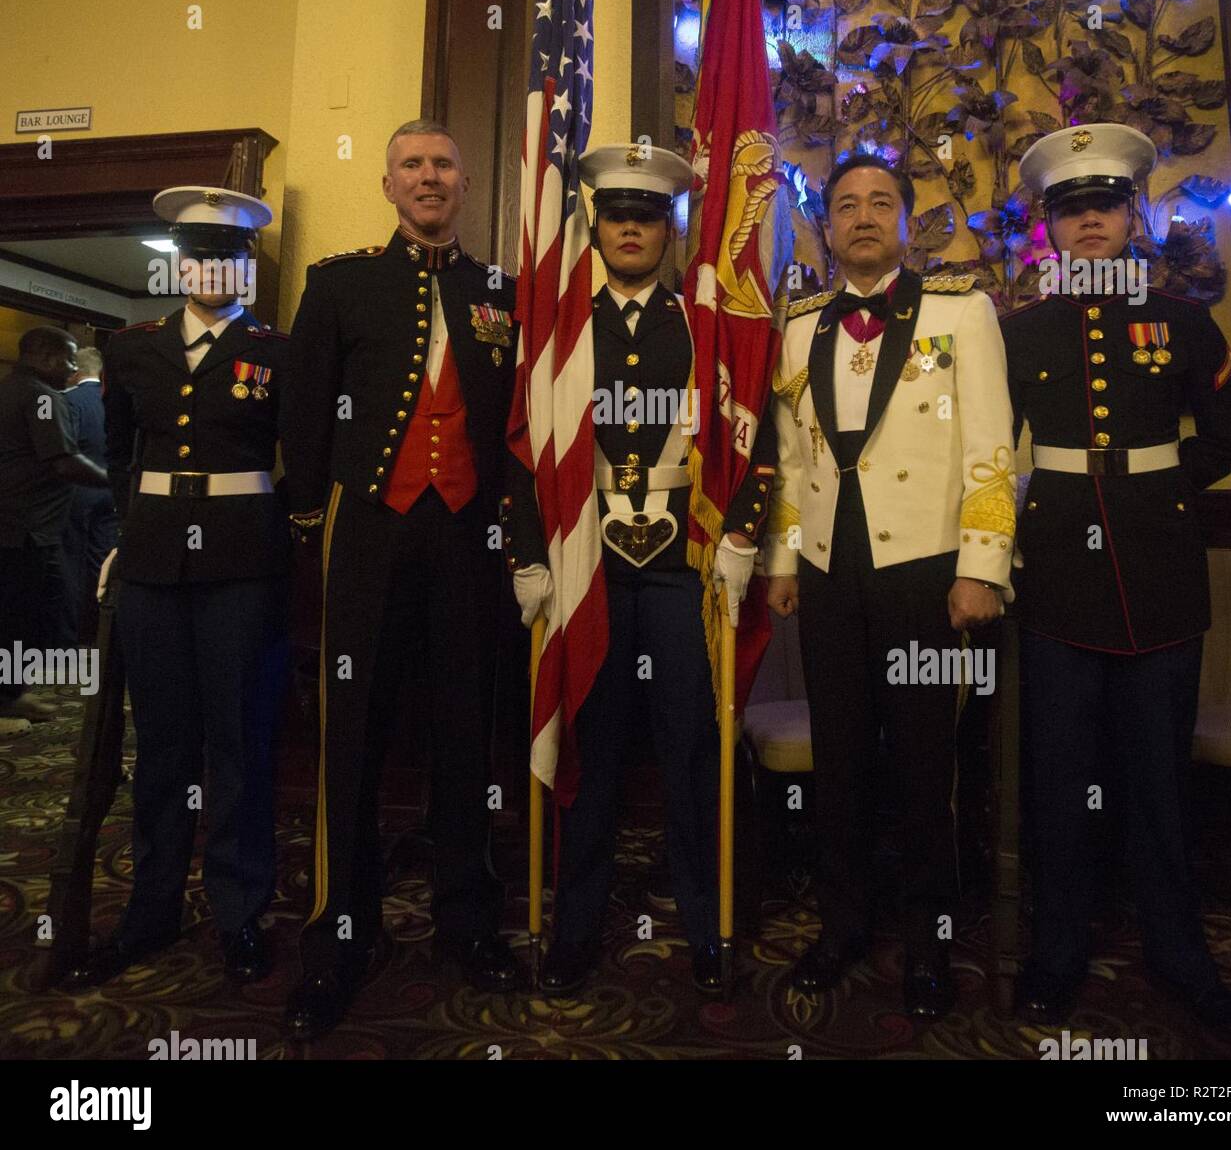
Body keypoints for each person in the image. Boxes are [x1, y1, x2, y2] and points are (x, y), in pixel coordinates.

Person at [1004, 122, 1231, 1040]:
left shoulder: (1185, 322)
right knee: (1058, 775)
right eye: (1069, 211)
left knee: (1157, 776)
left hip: (1160, 573)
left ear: (1131, 215)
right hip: (1056, 580)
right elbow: (986, 451)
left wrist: (1161, 489)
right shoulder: (1019, 328)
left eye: (1103, 206)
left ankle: (1179, 954)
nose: (1087, 225)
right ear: (1049, 228)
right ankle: (1057, 951)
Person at [504, 143, 775, 995]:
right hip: (582, 555)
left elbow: (750, 430)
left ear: (670, 229)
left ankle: (705, 922)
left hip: (677, 566)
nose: (630, 229)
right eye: (616, 214)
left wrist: (740, 537)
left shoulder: (701, 321)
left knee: (693, 748)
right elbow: (521, 443)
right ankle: (575, 925)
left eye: (648, 217)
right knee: (590, 739)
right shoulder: (558, 321)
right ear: (593, 221)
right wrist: (523, 553)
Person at [280, 119, 521, 1041]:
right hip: (370, 536)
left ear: (464, 183)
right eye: (412, 166)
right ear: (388, 186)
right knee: (356, 734)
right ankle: (341, 934)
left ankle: (469, 923)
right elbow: (303, 411)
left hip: (469, 542)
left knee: (469, 732)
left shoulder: (500, 291)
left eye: (443, 165)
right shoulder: (341, 285)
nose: (428, 178)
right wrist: (311, 520)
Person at [764, 153, 1016, 1017]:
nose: (862, 217)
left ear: (905, 220)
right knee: (838, 762)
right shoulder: (799, 324)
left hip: (924, 573)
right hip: (833, 573)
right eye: (845, 206)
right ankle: (841, 926)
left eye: (880, 203)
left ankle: (927, 941)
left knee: (923, 765)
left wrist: (981, 568)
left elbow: (989, 446)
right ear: (826, 226)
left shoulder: (962, 308)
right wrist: (785, 560)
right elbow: (794, 460)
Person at [76, 187, 290, 987]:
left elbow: (294, 457)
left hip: (242, 564)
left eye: (228, 256)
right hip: (155, 565)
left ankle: (240, 912)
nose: (211, 269)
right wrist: (125, 543)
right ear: (177, 265)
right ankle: (151, 909)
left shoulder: (279, 353)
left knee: (240, 743)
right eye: (196, 256)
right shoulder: (132, 349)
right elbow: (126, 459)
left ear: (246, 268)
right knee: (161, 746)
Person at [0, 326, 108, 735]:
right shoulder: (41, 398)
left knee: (17, 617)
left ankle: (11, 692)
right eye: (66, 358)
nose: (70, 367)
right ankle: (3, 703)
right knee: (12, 618)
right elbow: (63, 460)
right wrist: (116, 481)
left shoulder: (10, 389)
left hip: (17, 526)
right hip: (23, 529)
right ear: (44, 357)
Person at [59, 347, 119, 645]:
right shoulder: (114, 401)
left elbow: (63, 452)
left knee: (70, 562)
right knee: (101, 559)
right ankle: (98, 630)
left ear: (75, 372)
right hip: (111, 491)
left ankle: (70, 634)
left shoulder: (68, 401)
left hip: (77, 491)